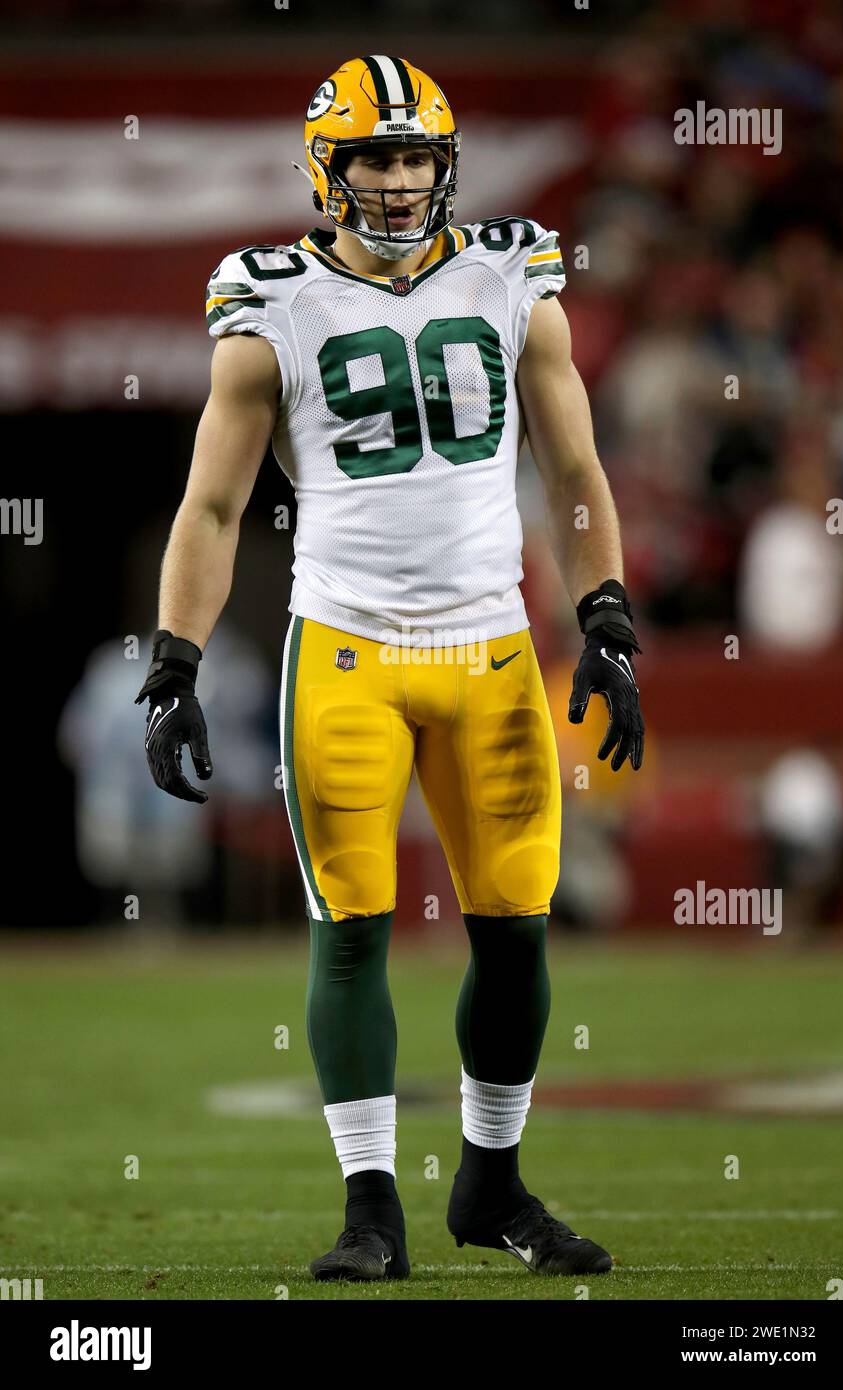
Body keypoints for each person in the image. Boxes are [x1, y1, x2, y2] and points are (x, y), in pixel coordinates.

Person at [135, 55, 644, 1283]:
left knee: (516, 931)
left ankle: (492, 1180)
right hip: (347, 651)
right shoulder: (271, 300)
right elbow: (211, 507)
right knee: (350, 929)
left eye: (419, 156)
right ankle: (372, 1205)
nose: (404, 179)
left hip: (491, 649)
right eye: (377, 157)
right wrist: (175, 658)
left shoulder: (512, 271)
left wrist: (607, 613)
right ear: (330, 166)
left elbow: (573, 469)